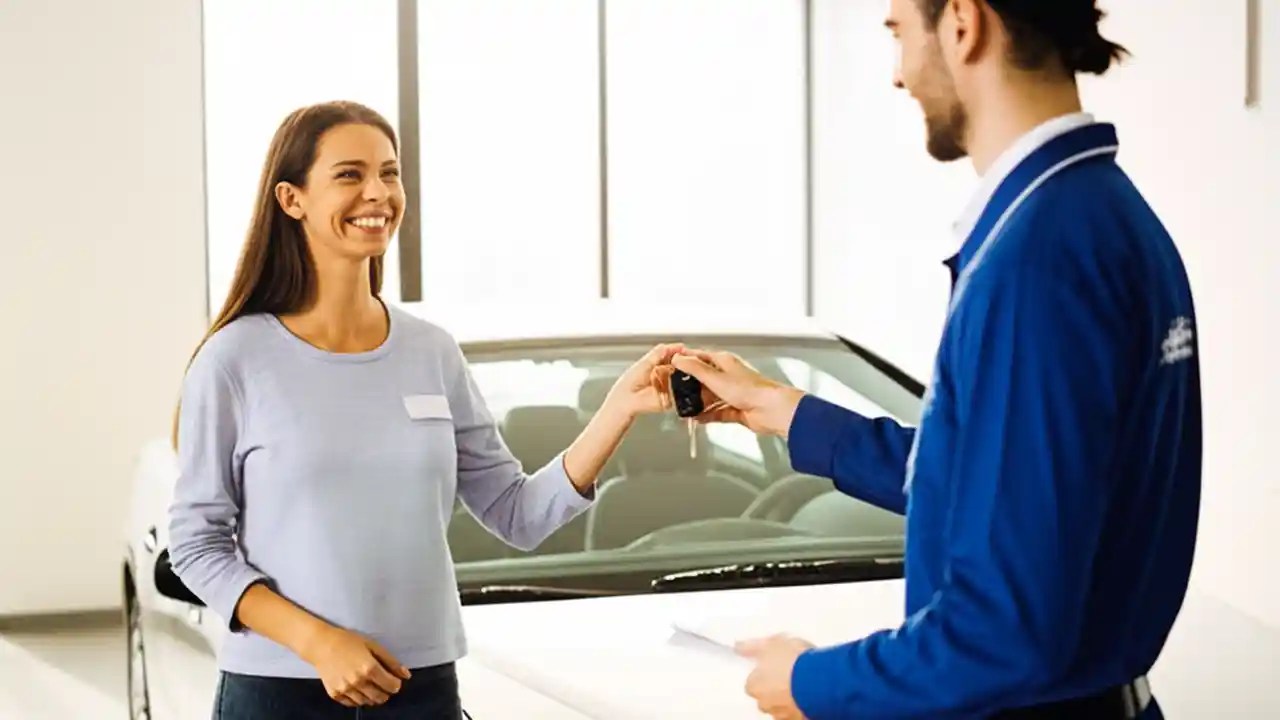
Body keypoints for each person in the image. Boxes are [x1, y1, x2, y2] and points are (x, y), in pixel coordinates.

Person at [671, 1, 1200, 718]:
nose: (898, 76)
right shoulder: (1108, 215)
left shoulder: (1033, 259)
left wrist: (807, 681)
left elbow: (999, 635)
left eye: (898, 33)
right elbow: (1002, 487)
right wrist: (786, 411)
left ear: (961, 22)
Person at [168, 100, 683, 719]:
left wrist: (617, 410)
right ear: (291, 198)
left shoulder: (430, 351)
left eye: (389, 173)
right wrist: (320, 643)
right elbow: (196, 546)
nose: (378, 193)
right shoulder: (234, 359)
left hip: (420, 689)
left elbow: (516, 513)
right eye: (350, 174)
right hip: (281, 691)